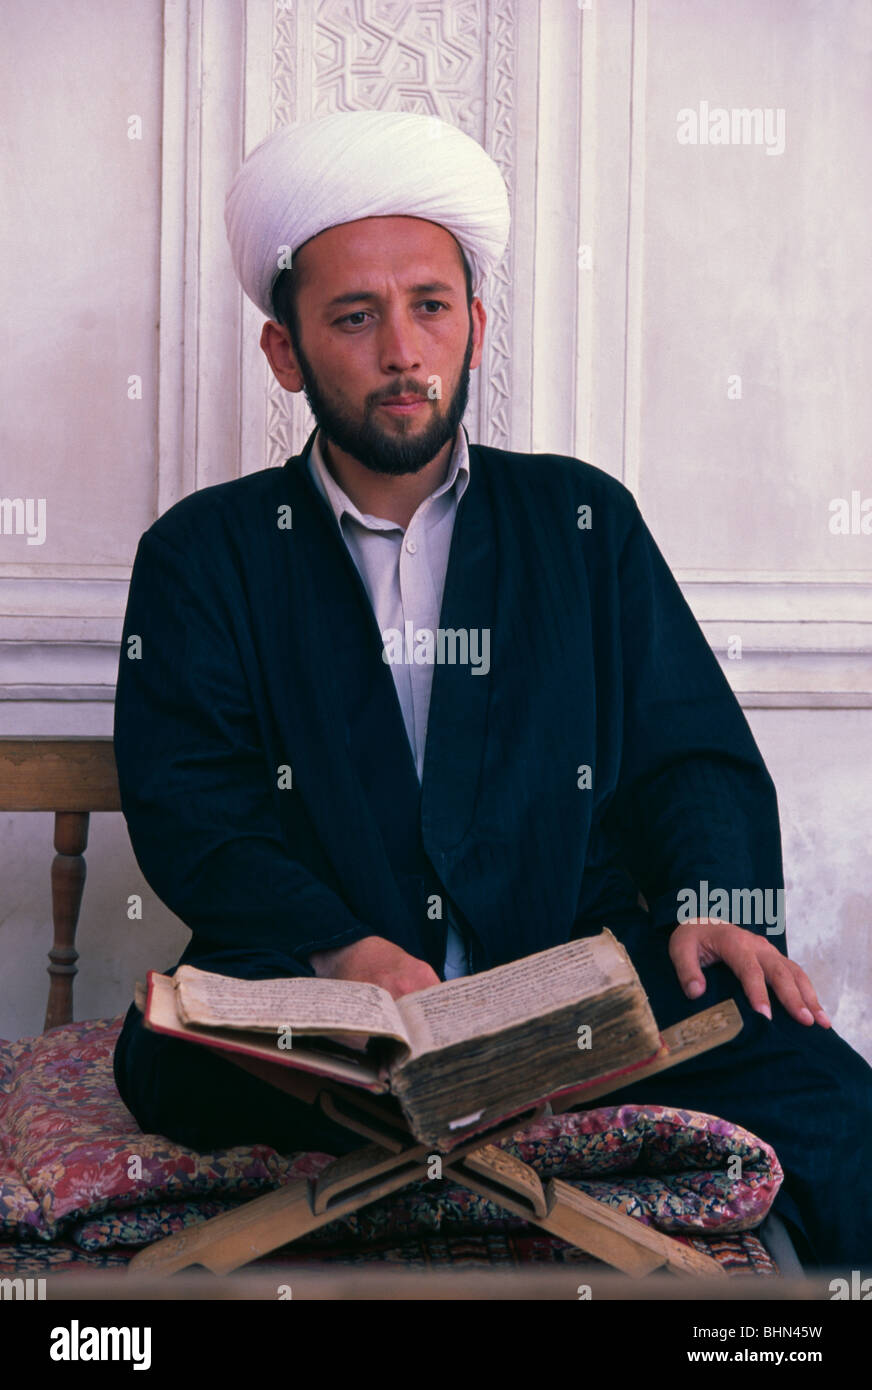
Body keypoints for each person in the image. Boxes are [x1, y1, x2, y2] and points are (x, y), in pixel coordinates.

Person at [112, 110, 872, 1270]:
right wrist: (344, 951)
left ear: (475, 325)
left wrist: (713, 899)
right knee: (164, 1057)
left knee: (831, 1096)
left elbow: (688, 751)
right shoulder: (204, 555)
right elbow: (193, 804)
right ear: (286, 352)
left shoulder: (581, 521)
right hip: (330, 1010)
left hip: (581, 994)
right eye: (353, 319)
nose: (402, 352)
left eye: (428, 307)